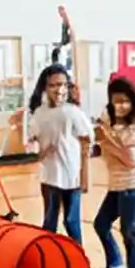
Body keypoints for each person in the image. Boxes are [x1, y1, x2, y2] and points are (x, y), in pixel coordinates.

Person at [94, 76, 135, 268]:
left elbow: (131, 160)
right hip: (116, 184)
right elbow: (100, 143)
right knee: (101, 224)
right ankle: (115, 262)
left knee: (128, 230)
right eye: (115, 101)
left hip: (134, 185)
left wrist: (106, 139)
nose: (119, 106)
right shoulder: (108, 119)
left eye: (124, 101)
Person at [28, 64, 92, 243]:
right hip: (49, 178)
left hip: (72, 178)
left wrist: (85, 175)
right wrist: (41, 151)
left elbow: (86, 142)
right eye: (53, 85)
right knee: (49, 223)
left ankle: (79, 260)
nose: (59, 90)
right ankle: (49, 259)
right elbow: (32, 145)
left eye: (63, 84)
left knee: (71, 222)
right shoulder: (39, 114)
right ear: (45, 87)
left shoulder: (73, 113)